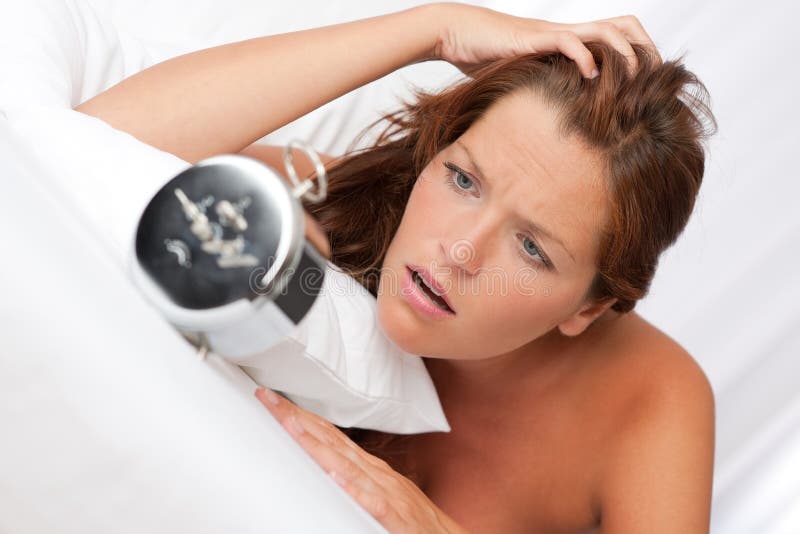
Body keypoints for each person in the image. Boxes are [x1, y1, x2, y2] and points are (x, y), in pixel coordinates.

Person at [76, 3, 716, 532]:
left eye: (532, 248)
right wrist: (435, 29)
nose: (460, 251)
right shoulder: (345, 211)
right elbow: (90, 147)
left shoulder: (650, 405)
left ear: (589, 307)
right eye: (464, 179)